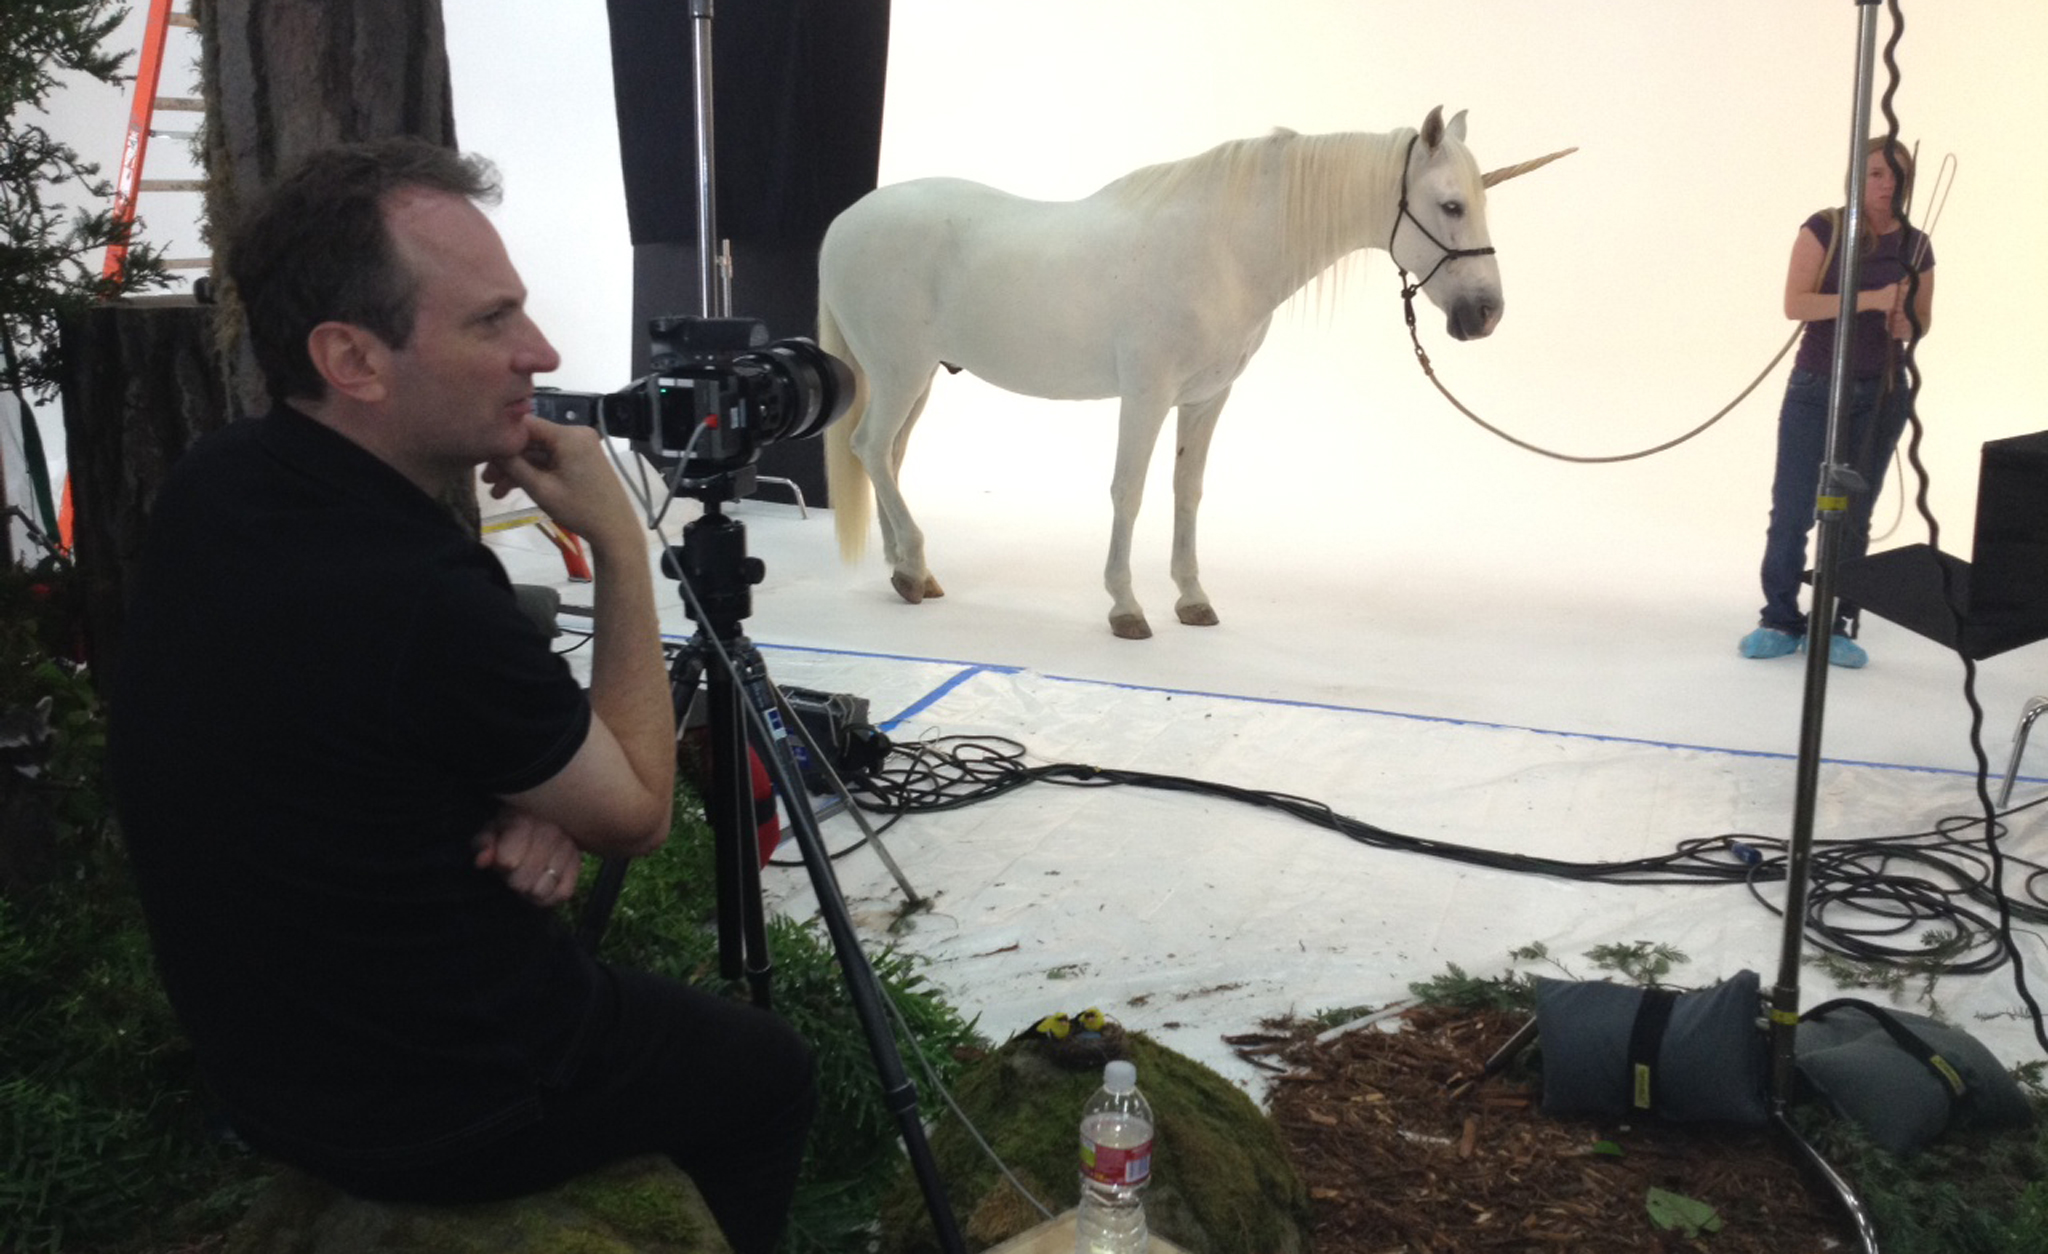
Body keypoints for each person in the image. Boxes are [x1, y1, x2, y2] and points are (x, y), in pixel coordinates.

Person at [109, 138, 814, 1254]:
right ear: (353, 357)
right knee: (767, 1076)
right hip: (441, 1105)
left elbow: (360, 718)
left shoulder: (223, 485)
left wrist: (532, 790)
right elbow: (635, 811)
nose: (539, 352)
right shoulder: (416, 590)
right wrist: (624, 548)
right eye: (492, 323)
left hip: (263, 1064)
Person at [1740, 137, 1935, 669]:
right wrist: (1872, 300)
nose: (1886, 184)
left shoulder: (1917, 245)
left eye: (1895, 174)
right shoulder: (1825, 228)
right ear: (1856, 176)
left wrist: (1906, 323)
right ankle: (1780, 617)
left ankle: (1839, 623)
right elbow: (1795, 303)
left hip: (1882, 394)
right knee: (1794, 510)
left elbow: (1923, 318)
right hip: (1816, 388)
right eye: (1875, 173)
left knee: (1853, 515)